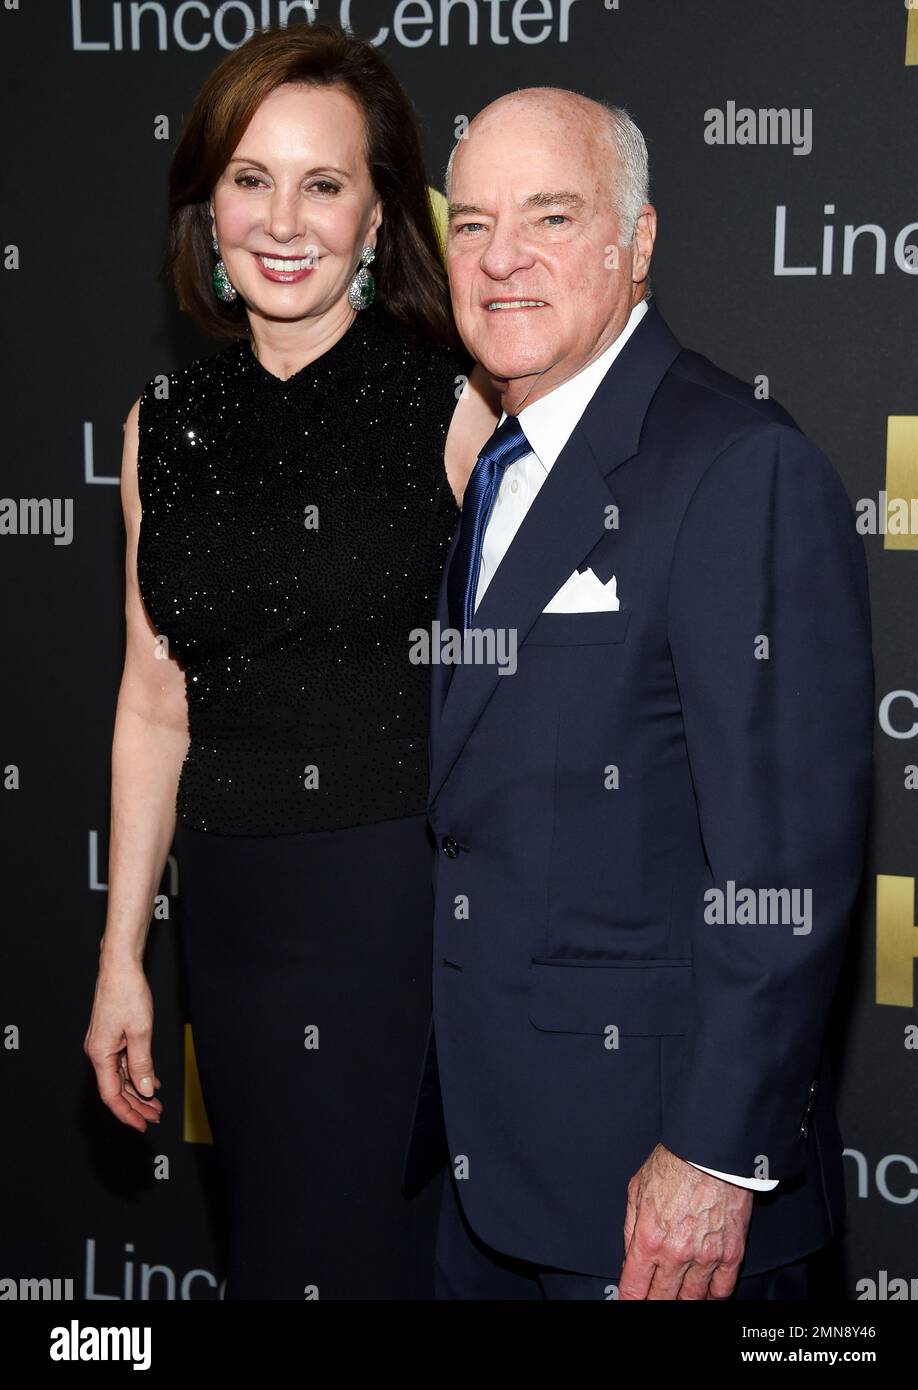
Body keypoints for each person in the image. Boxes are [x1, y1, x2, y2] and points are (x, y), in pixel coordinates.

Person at [403, 87, 874, 1300]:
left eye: (549, 217)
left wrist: (713, 1156)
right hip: (487, 1170)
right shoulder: (497, 460)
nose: (499, 258)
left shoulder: (733, 464)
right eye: (470, 224)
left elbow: (784, 862)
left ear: (637, 241)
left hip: (651, 1193)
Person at [83, 23, 496, 1300]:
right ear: (207, 204)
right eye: (251, 179)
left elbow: (529, 693)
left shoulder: (458, 408)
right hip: (234, 921)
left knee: (369, 1256)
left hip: (397, 912)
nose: (284, 219)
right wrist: (119, 959)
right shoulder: (167, 427)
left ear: (379, 219)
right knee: (273, 1252)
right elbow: (156, 704)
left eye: (325, 184)